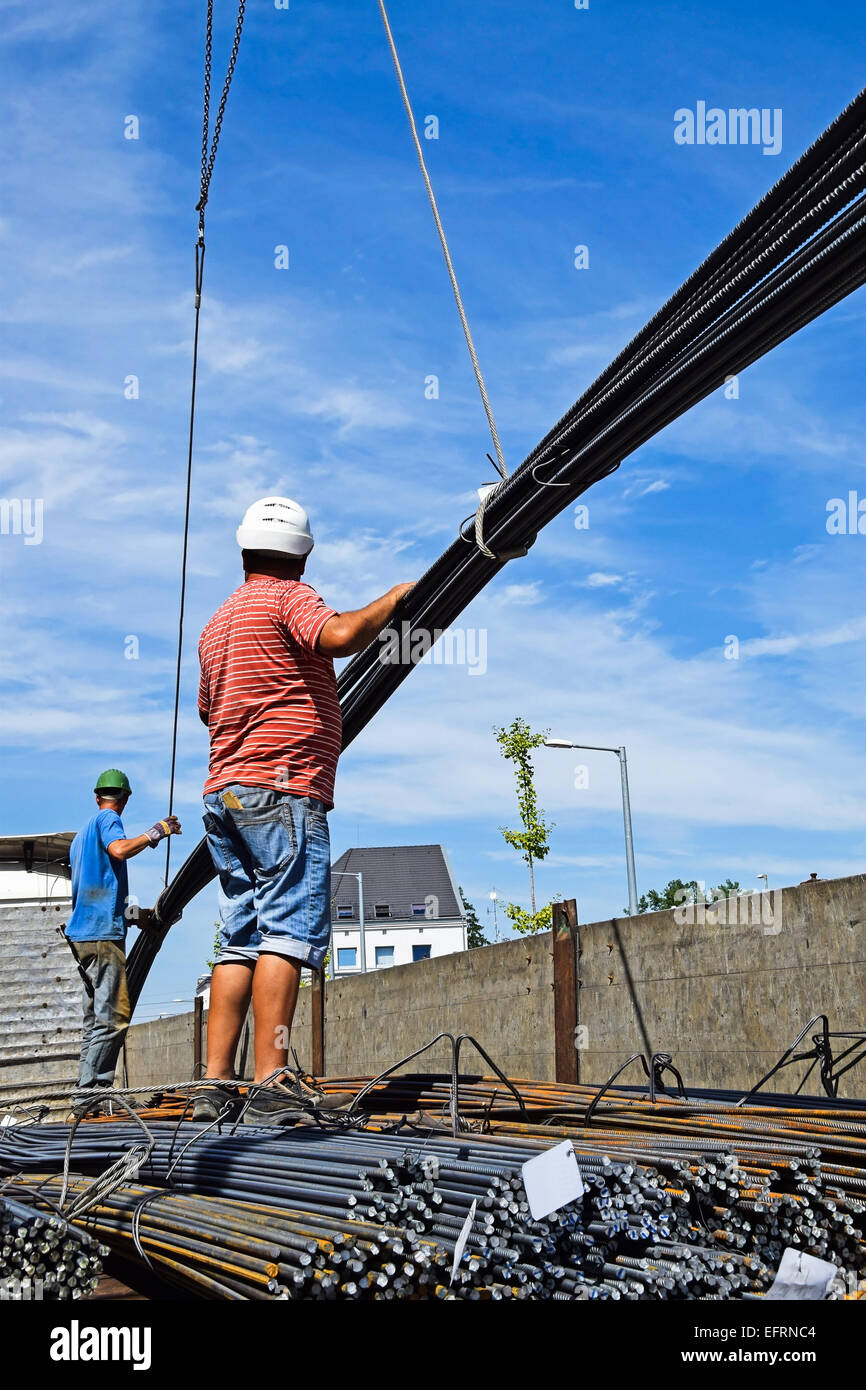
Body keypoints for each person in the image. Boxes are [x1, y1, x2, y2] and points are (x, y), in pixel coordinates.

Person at [194, 495, 413, 1125]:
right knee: (287, 930)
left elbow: (210, 710)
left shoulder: (216, 624)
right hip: (282, 790)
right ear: (303, 553)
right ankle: (273, 1080)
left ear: (242, 550)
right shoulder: (289, 596)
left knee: (239, 938)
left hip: (225, 794)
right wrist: (394, 599)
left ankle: (216, 1083)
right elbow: (339, 635)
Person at [64, 769, 182, 1105]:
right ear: (125, 799)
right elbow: (119, 850)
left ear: (96, 794)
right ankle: (92, 1095)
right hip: (102, 937)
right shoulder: (107, 821)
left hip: (83, 936)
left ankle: (84, 1095)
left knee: (95, 1020)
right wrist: (157, 832)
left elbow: (98, 890)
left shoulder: (79, 839)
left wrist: (139, 917)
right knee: (114, 1016)